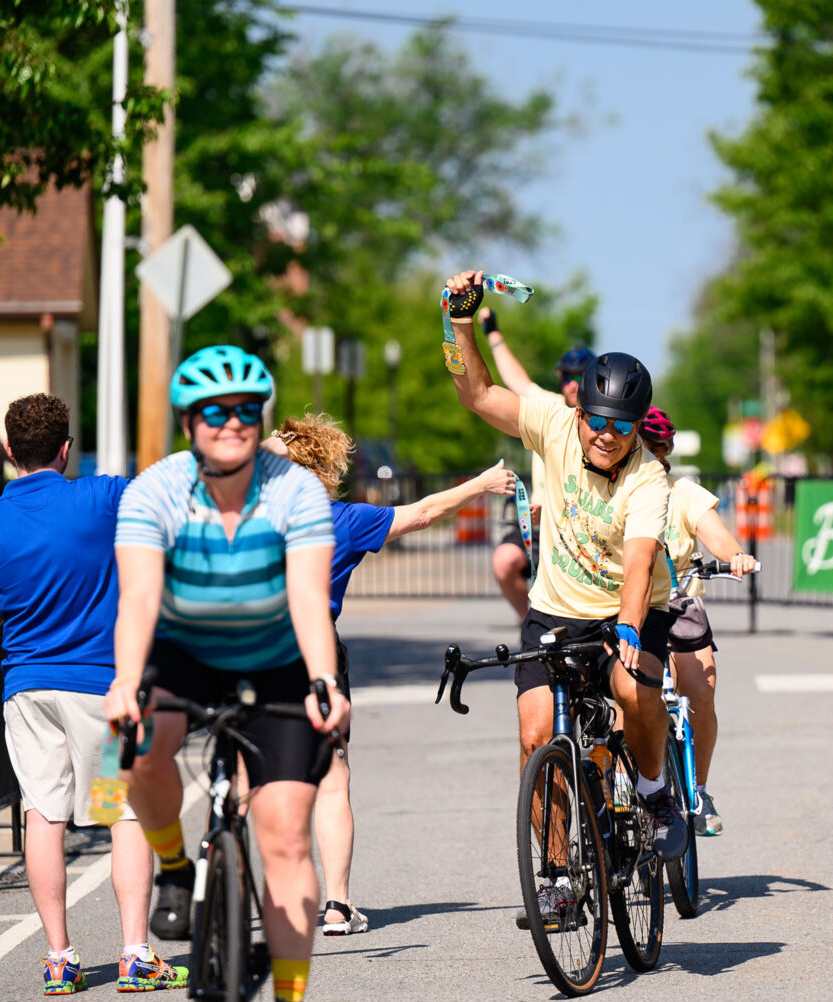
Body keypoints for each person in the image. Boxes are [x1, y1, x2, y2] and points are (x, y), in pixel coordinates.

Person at [105, 345, 349, 1002]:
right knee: (138, 745)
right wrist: (126, 680)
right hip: (182, 654)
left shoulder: (294, 490)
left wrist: (325, 678)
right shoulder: (153, 490)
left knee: (286, 837)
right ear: (191, 422)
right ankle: (177, 868)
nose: (233, 422)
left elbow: (306, 596)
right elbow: (140, 598)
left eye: (246, 410)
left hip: (276, 662)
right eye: (216, 411)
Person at [443, 269, 687, 929]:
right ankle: (555, 880)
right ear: (580, 411)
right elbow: (479, 393)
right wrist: (461, 323)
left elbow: (639, 566)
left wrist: (631, 633)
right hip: (554, 611)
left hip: (626, 613)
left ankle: (653, 790)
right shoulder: (553, 421)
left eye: (623, 425)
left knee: (634, 691)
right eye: (598, 420)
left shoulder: (648, 479)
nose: (607, 434)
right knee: (534, 739)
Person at [0, 393, 185, 997]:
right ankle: (135, 954)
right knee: (122, 812)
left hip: (27, 695)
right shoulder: (102, 497)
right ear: (64, 448)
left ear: (8, 451)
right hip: (99, 697)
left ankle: (59, 957)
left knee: (44, 814)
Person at [261, 412, 516, 936]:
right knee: (331, 778)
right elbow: (423, 513)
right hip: (314, 654)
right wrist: (484, 483)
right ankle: (336, 906)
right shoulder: (341, 520)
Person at [639, 405, 757, 837]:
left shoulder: (683, 492)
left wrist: (735, 556)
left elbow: (718, 536)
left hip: (678, 605)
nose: (656, 454)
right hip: (630, 607)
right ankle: (623, 785)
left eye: (662, 447)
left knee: (701, 696)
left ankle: (699, 789)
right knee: (629, 700)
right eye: (647, 446)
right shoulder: (614, 491)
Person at [477, 306, 596, 620]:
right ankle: (527, 620)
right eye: (567, 377)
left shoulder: (602, 422)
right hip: (539, 518)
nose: (573, 384)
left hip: (581, 520)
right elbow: (516, 381)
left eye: (580, 377)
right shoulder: (550, 408)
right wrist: (492, 331)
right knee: (504, 561)